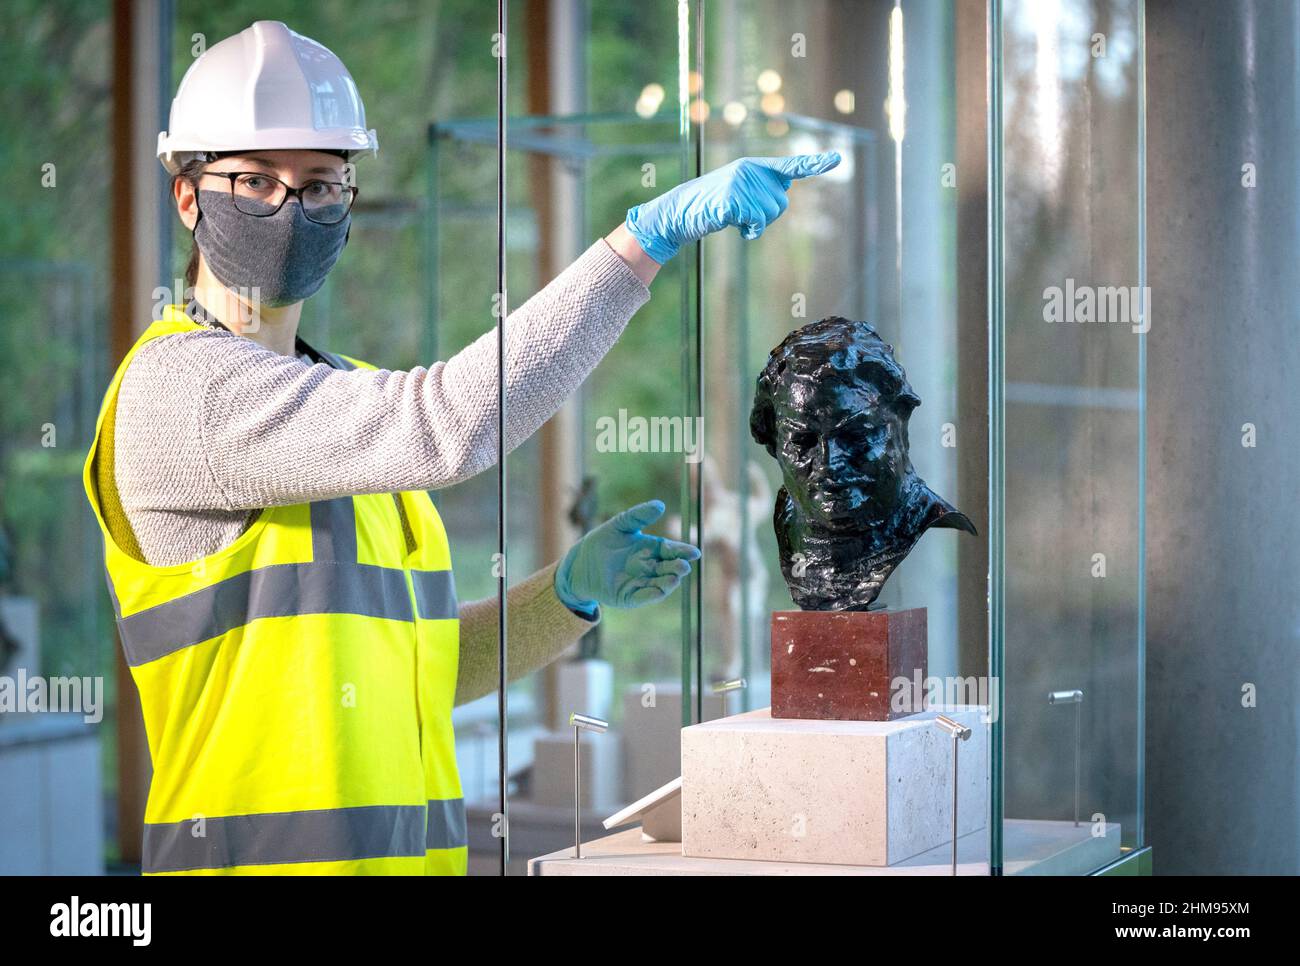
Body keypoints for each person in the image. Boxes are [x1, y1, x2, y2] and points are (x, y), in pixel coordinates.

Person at [82, 20, 840, 875]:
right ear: (189, 197)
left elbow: (424, 667)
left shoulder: (338, 411)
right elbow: (449, 424)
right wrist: (643, 243)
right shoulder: (178, 390)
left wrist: (565, 595)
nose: (292, 208)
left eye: (323, 183)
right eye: (255, 181)